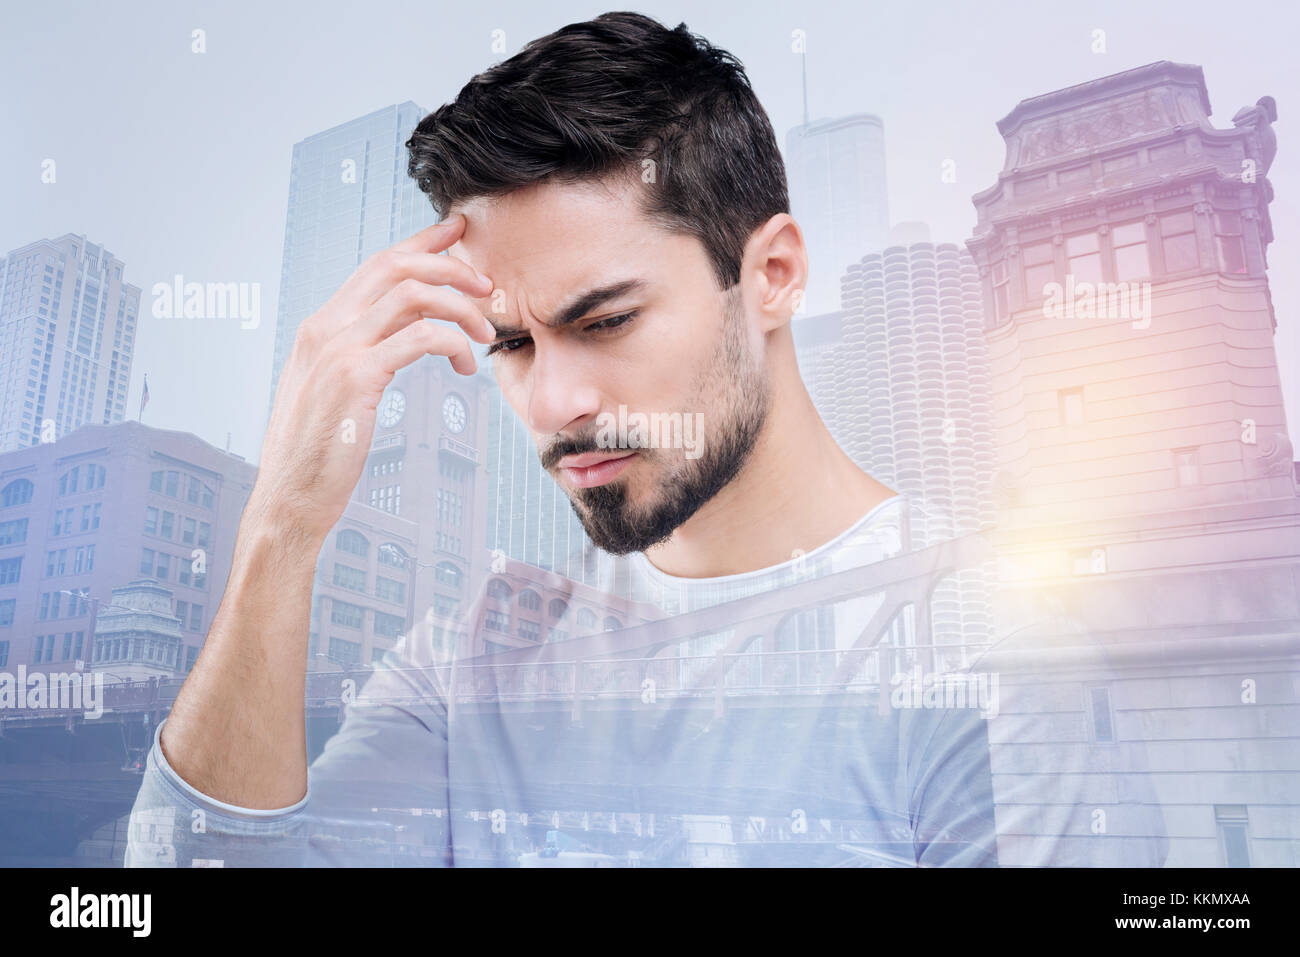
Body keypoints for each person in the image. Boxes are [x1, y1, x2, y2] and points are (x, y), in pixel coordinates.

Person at [125, 11, 1164, 867]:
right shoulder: (472, 663)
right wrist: (281, 529)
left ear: (772, 275)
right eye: (511, 343)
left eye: (606, 321)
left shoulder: (985, 658)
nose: (552, 402)